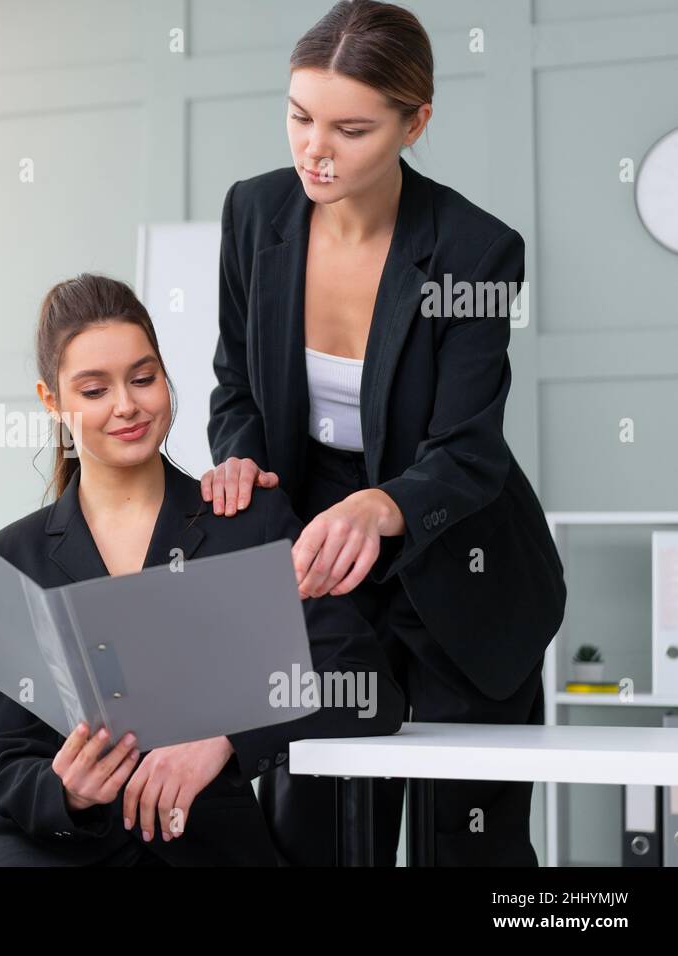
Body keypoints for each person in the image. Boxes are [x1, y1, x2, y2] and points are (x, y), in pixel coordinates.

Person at [204, 0, 567, 865]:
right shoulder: (254, 215)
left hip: (460, 573)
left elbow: (468, 451)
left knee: (467, 849)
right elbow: (234, 389)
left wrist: (379, 506)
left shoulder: (474, 252)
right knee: (314, 833)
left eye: (352, 128)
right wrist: (240, 459)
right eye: (299, 117)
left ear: (416, 123)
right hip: (319, 578)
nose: (315, 150)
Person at [0, 272, 404, 866]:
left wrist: (228, 738)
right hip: (54, 849)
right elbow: (7, 753)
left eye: (143, 378)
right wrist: (67, 790)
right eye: (94, 391)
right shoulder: (11, 561)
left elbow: (365, 687)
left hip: (200, 846)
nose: (127, 406)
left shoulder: (246, 523)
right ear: (52, 402)